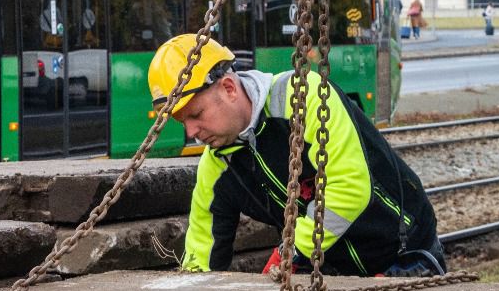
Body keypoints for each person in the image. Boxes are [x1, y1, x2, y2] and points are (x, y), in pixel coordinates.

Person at [148, 33, 444, 277]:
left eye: (196, 114)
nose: (191, 132)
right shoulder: (217, 166)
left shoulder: (305, 97)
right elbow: (202, 252)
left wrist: (285, 255)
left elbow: (348, 187)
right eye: (181, 121)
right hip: (336, 271)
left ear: (228, 88)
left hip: (405, 253)